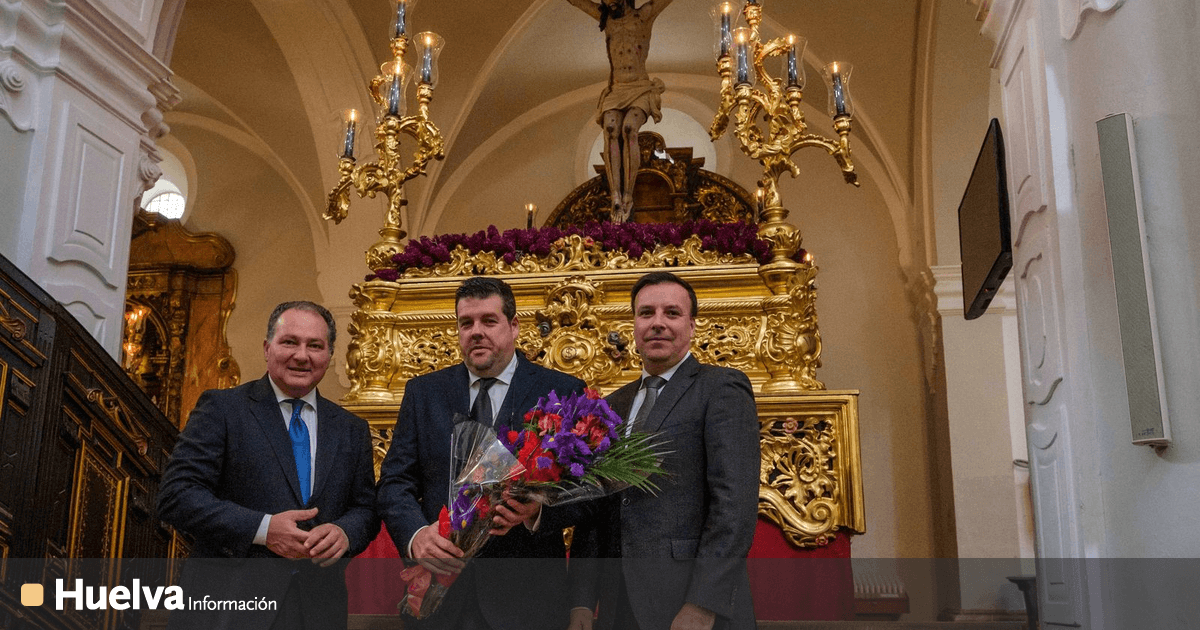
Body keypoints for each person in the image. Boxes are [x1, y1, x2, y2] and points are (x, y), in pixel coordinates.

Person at [377, 276, 587, 630]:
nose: (476, 331)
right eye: (466, 323)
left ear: (514, 326)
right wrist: (417, 536)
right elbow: (395, 482)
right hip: (437, 597)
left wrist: (537, 511)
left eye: (489, 321)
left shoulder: (561, 391)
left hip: (528, 598)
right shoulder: (424, 393)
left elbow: (587, 495)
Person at [157, 301, 379, 630]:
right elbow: (177, 496)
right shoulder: (223, 409)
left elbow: (366, 507)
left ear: (329, 354)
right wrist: (263, 529)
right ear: (267, 348)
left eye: (315, 345)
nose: (302, 355)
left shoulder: (352, 428)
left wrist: (346, 532)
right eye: (289, 342)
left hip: (317, 610)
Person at [570, 271, 759, 630]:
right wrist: (581, 601)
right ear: (634, 326)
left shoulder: (720, 388)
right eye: (646, 313)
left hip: (690, 602)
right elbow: (595, 510)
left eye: (671, 313)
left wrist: (703, 603)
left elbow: (734, 506)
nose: (657, 323)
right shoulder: (612, 406)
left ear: (691, 325)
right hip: (618, 603)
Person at [566, 0, 675, 222]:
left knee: (628, 129)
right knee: (611, 128)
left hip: (639, 87)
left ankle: (628, 195)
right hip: (617, 88)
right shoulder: (606, 19)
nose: (608, 3)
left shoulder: (643, 16)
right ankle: (615, 193)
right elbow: (579, 3)